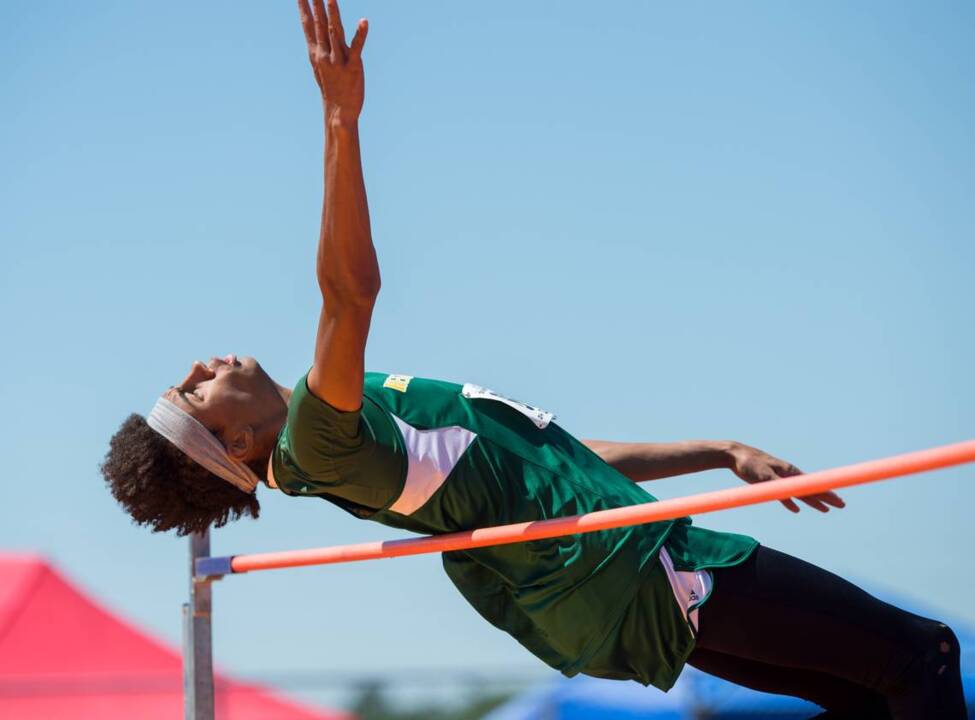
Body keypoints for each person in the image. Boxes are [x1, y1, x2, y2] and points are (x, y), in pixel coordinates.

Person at [100, 2, 966, 717]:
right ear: (235, 445)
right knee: (922, 658)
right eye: (193, 390)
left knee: (873, 693)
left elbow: (553, 462)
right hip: (642, 572)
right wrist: (340, 119)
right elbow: (347, 293)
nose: (200, 365)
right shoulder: (316, 441)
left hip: (617, 589)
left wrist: (715, 449)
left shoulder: (324, 448)